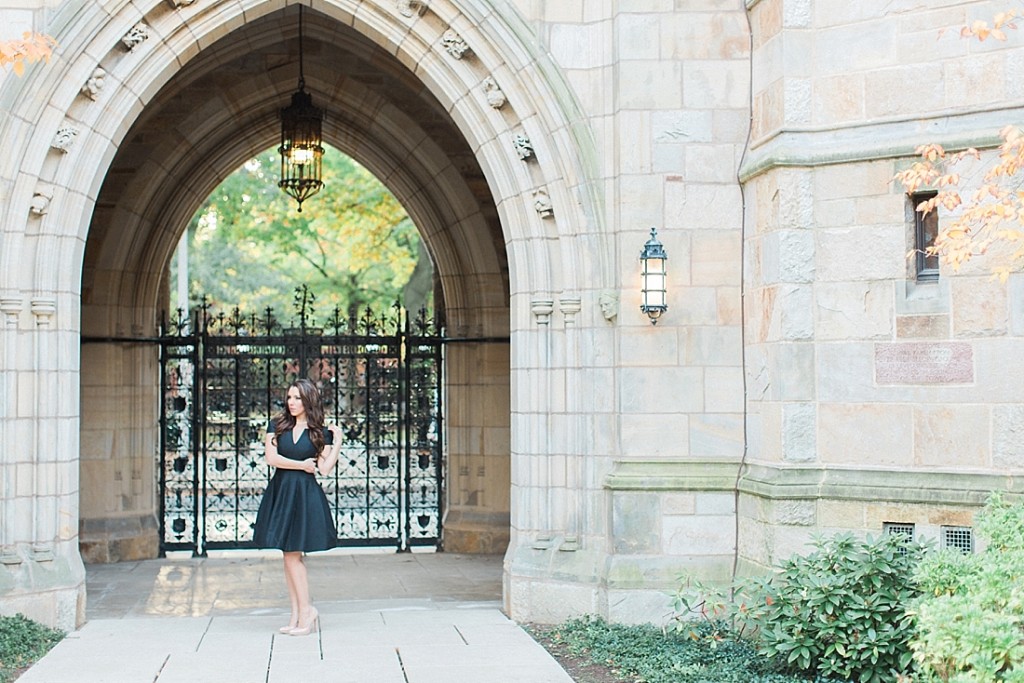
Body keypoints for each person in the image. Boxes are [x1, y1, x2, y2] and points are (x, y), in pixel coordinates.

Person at [253, 378, 342, 636]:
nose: (292, 403)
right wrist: (302, 465)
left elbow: (324, 469)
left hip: (304, 494)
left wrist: (336, 443)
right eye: (289, 397)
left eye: (298, 398)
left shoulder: (319, 433)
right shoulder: (276, 426)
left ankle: (307, 612)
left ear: (308, 401)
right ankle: (296, 614)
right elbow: (272, 459)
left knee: (293, 554)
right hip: (282, 491)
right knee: (288, 554)